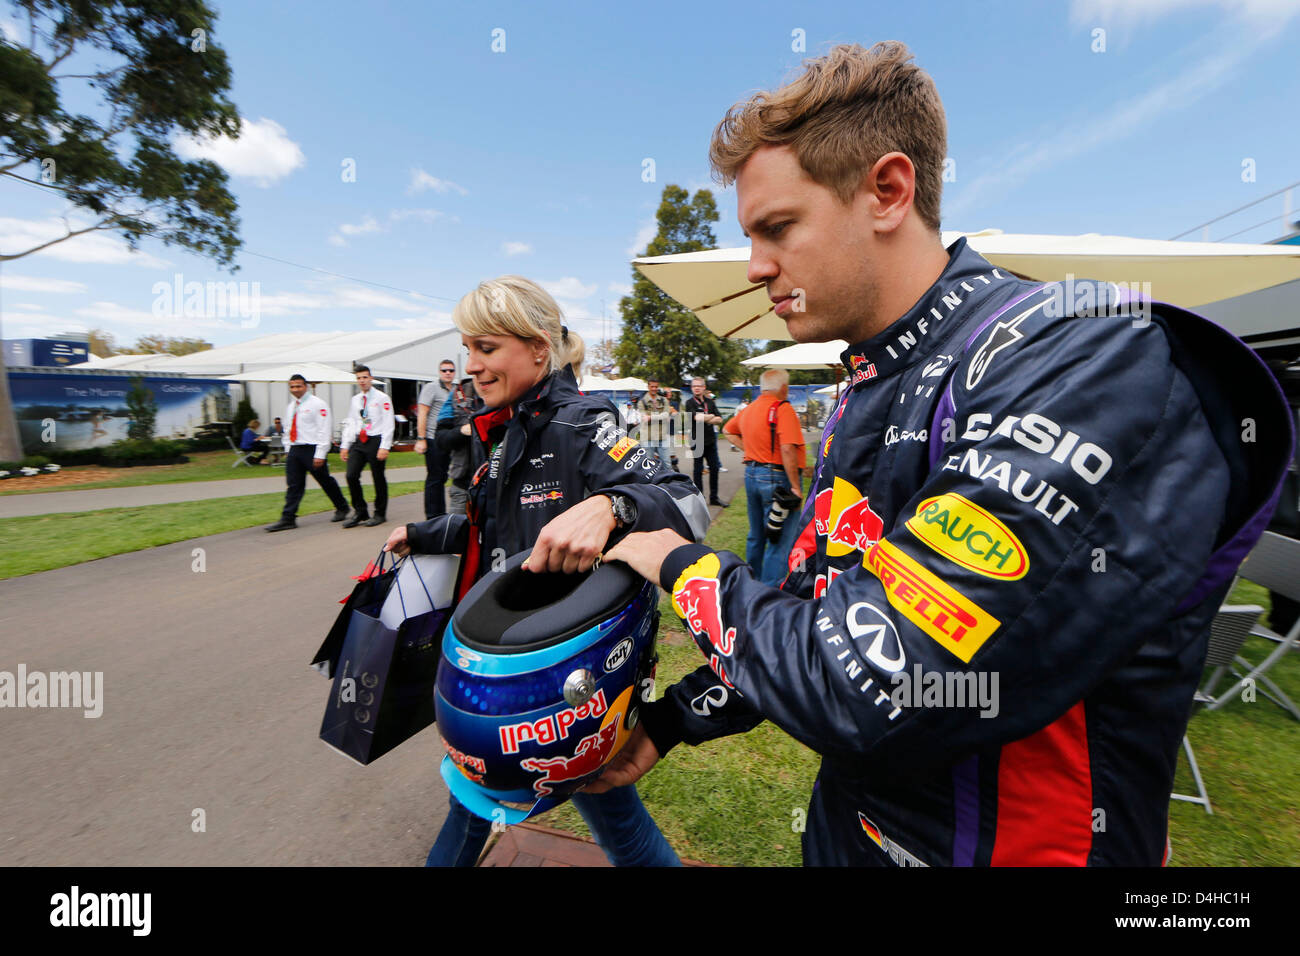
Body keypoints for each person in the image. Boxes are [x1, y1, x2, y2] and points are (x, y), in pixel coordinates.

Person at [591, 41, 1294, 866]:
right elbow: (817, 605)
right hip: (851, 832)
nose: (755, 268)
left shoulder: (1078, 353)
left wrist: (682, 563)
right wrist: (674, 720)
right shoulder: (868, 380)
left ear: (888, 190)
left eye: (777, 227)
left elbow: (864, 680)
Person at [382, 275, 710, 867]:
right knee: (523, 807)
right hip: (505, 669)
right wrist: (423, 534)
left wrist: (614, 506)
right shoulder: (505, 431)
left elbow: (689, 505)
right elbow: (498, 535)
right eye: (467, 350)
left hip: (566, 678)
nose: (472, 366)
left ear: (538, 347)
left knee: (568, 813)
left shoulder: (581, 424)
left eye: (486, 348)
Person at [722, 368, 805, 585]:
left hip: (752, 474)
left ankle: (751, 583)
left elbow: (727, 431)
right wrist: (795, 487)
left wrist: (750, 450)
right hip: (777, 479)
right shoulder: (783, 408)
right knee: (780, 537)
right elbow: (787, 449)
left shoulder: (748, 409)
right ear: (784, 388)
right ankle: (770, 591)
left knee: (756, 534)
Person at [265, 374, 350, 532]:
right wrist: (288, 449)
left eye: (298, 386)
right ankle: (288, 518)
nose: (295, 389)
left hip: (312, 449)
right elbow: (288, 429)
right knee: (294, 485)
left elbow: (324, 429)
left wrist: (320, 453)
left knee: (325, 480)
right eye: (292, 386)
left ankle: (342, 507)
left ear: (306, 386)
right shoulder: (291, 407)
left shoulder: (318, 404)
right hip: (295, 449)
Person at [340, 366, 395, 528]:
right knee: (351, 475)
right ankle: (360, 511)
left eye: (365, 377)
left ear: (371, 378)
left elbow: (388, 423)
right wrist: (345, 445)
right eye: (359, 378)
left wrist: (385, 446)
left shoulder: (382, 398)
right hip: (359, 440)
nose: (362, 381)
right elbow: (351, 422)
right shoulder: (356, 399)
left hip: (376, 440)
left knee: (377, 477)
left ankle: (380, 513)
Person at [416, 360, 457, 520]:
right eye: (444, 370)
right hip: (433, 439)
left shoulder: (455, 390)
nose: (448, 373)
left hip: (449, 440)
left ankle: (441, 512)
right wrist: (421, 438)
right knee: (435, 477)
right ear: (439, 372)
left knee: (443, 476)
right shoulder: (431, 388)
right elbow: (423, 413)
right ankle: (433, 515)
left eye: (451, 370)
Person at [434, 376, 481, 515]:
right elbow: (441, 439)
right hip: (463, 485)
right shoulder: (458, 394)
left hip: (498, 487)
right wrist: (461, 431)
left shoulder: (509, 390)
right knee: (457, 532)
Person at [682, 377, 727, 507]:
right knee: (698, 470)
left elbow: (719, 419)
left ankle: (714, 497)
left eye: (699, 386)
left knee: (714, 468)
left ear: (704, 387)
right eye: (694, 386)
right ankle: (700, 498)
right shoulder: (690, 403)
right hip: (697, 441)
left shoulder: (710, 402)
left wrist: (706, 418)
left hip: (711, 441)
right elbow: (696, 417)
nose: (696, 388)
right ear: (691, 388)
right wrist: (710, 417)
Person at [636, 379, 677, 471]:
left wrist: (650, 417)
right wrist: (660, 416)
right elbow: (644, 418)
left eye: (656, 386)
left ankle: (669, 484)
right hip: (647, 437)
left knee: (667, 464)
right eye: (652, 386)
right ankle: (652, 485)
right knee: (649, 466)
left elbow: (666, 415)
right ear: (648, 387)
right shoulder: (642, 402)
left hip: (662, 436)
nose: (654, 388)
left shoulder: (664, 400)